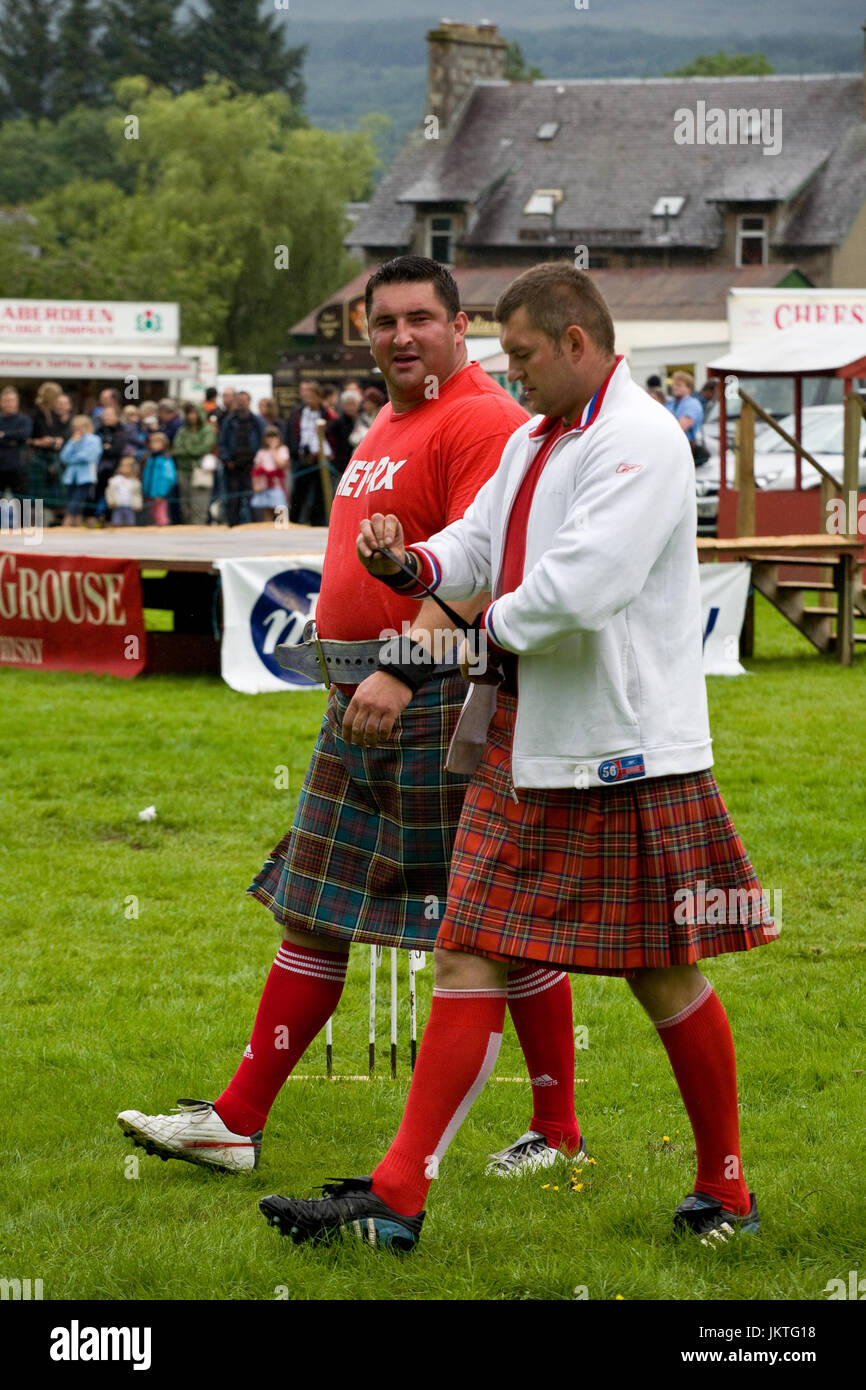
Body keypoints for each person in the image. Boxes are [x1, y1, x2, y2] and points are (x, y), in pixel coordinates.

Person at [258, 262, 775, 1253]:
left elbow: (575, 590)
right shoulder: (538, 437)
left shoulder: (639, 442)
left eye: (525, 355)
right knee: (467, 949)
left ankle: (725, 1188)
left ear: (577, 343)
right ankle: (396, 1197)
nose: (514, 374)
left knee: (661, 970)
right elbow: (476, 540)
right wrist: (414, 566)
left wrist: (451, 637)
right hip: (524, 737)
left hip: (619, 750)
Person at [116, 255, 582, 1181]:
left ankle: (557, 1131)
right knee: (317, 908)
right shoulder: (394, 418)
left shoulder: (480, 417)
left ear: (460, 326)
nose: (401, 337)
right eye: (384, 322)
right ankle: (236, 1122)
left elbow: (479, 568)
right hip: (362, 694)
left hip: (433, 691)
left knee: (489, 917)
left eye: (420, 319)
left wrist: (403, 675)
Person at [286, 381, 336, 526]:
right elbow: (292, 434)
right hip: (303, 458)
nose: (308, 399)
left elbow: (333, 435)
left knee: (320, 493)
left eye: (311, 396)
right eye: (306, 396)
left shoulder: (327, 414)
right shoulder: (298, 413)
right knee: (299, 492)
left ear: (319, 397)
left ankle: (318, 522)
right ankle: (294, 521)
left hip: (321, 458)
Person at [218, 390, 262, 527]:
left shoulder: (257, 421)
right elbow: (222, 442)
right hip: (233, 466)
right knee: (233, 499)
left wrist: (258, 461)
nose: (242, 403)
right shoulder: (229, 421)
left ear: (249, 401)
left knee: (252, 499)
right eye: (239, 400)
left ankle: (254, 525)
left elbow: (263, 442)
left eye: (244, 400)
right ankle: (233, 525)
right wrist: (226, 460)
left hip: (251, 466)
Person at [172, 403, 217, 524]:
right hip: (183, 470)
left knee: (199, 506)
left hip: (201, 472)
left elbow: (204, 448)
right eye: (189, 413)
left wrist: (187, 450)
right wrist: (192, 451)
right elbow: (176, 449)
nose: (192, 416)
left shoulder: (208, 430)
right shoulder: (182, 431)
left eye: (194, 413)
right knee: (185, 507)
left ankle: (199, 533)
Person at [28, 380, 65, 516]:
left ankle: (54, 526)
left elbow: (60, 434)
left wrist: (58, 440)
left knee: (56, 497)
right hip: (38, 457)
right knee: (36, 497)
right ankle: (33, 526)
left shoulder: (56, 416)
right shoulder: (34, 415)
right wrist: (39, 442)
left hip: (53, 457)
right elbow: (27, 439)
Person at [59, 415, 100, 527]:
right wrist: (72, 442)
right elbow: (63, 456)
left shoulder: (93, 439)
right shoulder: (73, 440)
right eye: (76, 428)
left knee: (77, 500)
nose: (78, 430)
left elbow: (87, 456)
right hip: (71, 476)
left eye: (81, 427)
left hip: (86, 476)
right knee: (73, 499)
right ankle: (77, 523)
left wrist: (72, 459)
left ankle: (67, 521)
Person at [666, 370, 707, 464]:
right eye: (674, 384)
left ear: (689, 388)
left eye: (679, 385)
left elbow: (680, 428)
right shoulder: (671, 403)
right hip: (672, 449)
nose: (675, 387)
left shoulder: (692, 404)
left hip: (687, 450)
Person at [0, 386, 33, 500]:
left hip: (19, 468)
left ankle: (27, 518)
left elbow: (24, 435)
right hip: (1, 467)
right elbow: (19, 437)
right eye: (5, 401)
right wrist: (13, 439)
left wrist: (4, 435)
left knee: (24, 502)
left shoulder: (25, 419)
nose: (8, 403)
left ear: (17, 402)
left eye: (11, 400)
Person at [250, 425, 289, 522]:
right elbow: (256, 471)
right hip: (264, 485)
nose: (271, 439)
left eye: (274, 436)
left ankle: (282, 528)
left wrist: (273, 450)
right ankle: (268, 530)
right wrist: (256, 485)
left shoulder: (282, 449)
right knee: (266, 510)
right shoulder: (261, 452)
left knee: (280, 508)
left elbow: (281, 465)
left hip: (277, 485)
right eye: (269, 437)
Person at [327, 388, 367, 476]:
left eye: (353, 404)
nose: (350, 408)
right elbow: (326, 435)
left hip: (361, 463)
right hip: (341, 465)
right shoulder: (337, 422)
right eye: (347, 404)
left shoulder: (363, 420)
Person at [141, 431, 176, 526]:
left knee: (161, 514)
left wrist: (161, 493)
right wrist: (146, 490)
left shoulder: (165, 459)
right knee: (152, 514)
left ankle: (163, 529)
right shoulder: (150, 458)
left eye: (157, 442)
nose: (154, 445)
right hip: (150, 492)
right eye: (152, 442)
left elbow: (169, 478)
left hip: (160, 494)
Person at [105, 453, 143, 527]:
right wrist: (111, 501)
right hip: (118, 506)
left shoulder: (135, 482)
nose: (124, 468)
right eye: (122, 466)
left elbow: (137, 494)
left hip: (130, 506)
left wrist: (138, 504)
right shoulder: (115, 480)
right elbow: (109, 492)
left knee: (130, 523)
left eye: (127, 467)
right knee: (117, 522)